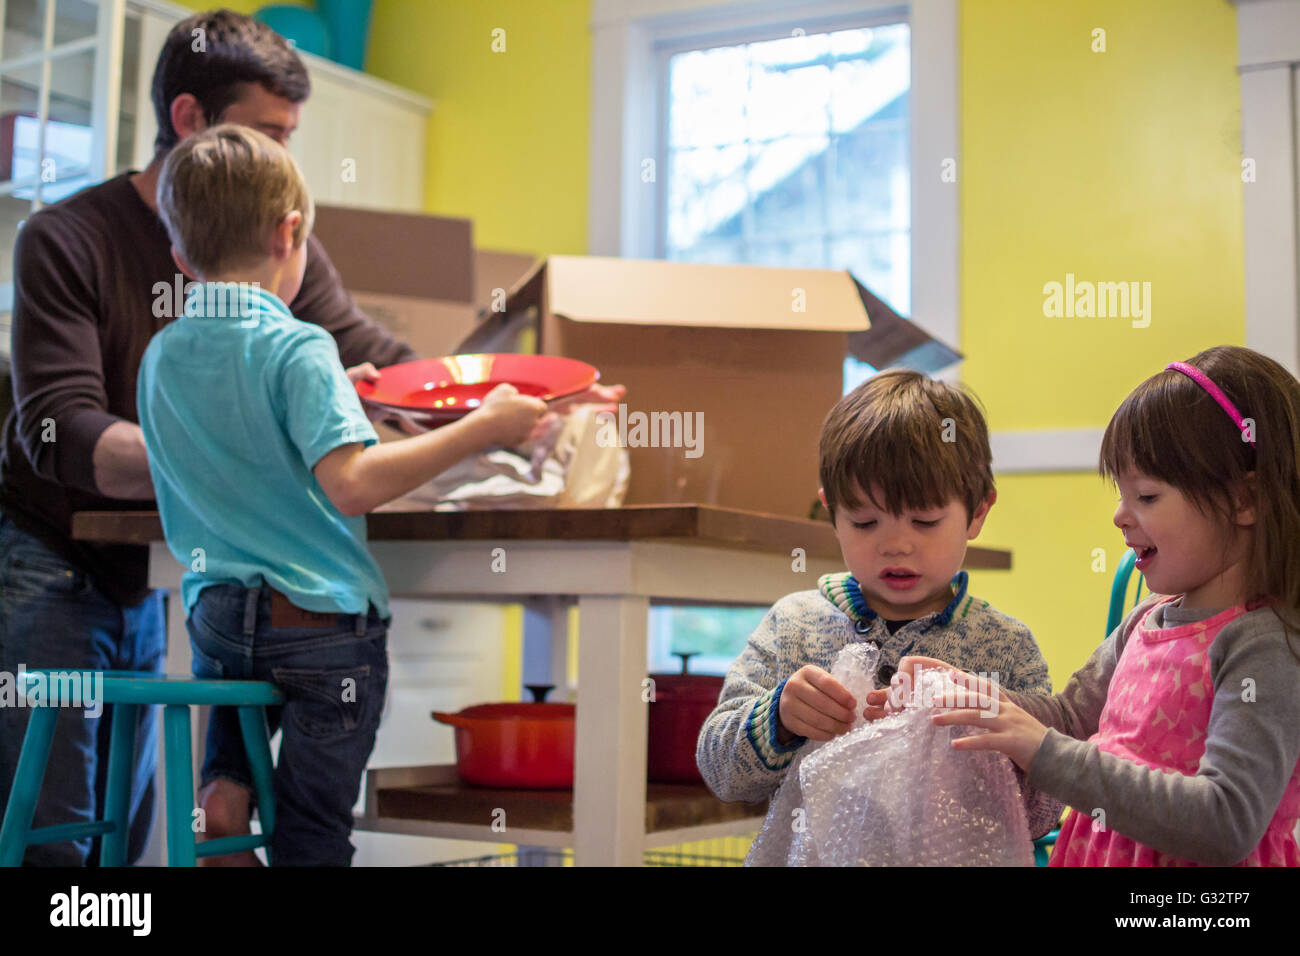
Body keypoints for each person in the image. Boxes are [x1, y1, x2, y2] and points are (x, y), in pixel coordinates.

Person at [0, 8, 618, 865]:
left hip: (192, 586)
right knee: (63, 838)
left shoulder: (238, 282)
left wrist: (533, 398)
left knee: (133, 822)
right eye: (268, 134)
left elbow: (384, 363)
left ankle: (222, 802)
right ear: (189, 121)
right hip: (58, 558)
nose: (284, 160)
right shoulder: (67, 239)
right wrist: (273, 441)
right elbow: (60, 433)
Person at [138, 122, 554, 866]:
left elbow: (237, 445)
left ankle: (222, 807)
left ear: (180, 255)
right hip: (320, 629)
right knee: (313, 833)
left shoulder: (161, 355)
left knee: (227, 796)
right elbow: (352, 486)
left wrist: (336, 396)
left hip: (219, 621)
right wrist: (484, 428)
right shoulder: (298, 345)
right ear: (288, 233)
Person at [910, 345, 1300, 866]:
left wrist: (1042, 751)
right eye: (1121, 493)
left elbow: (1225, 822)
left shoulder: (1264, 646)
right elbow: (1071, 715)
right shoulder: (1145, 620)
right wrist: (981, 702)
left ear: (1245, 501)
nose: (1119, 515)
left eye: (1147, 496)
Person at [696, 368, 1063, 862]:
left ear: (978, 512)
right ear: (831, 513)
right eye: (865, 522)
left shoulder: (1003, 645)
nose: (896, 543)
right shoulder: (795, 626)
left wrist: (994, 736)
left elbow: (1043, 816)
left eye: (925, 520)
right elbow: (721, 772)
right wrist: (780, 718)